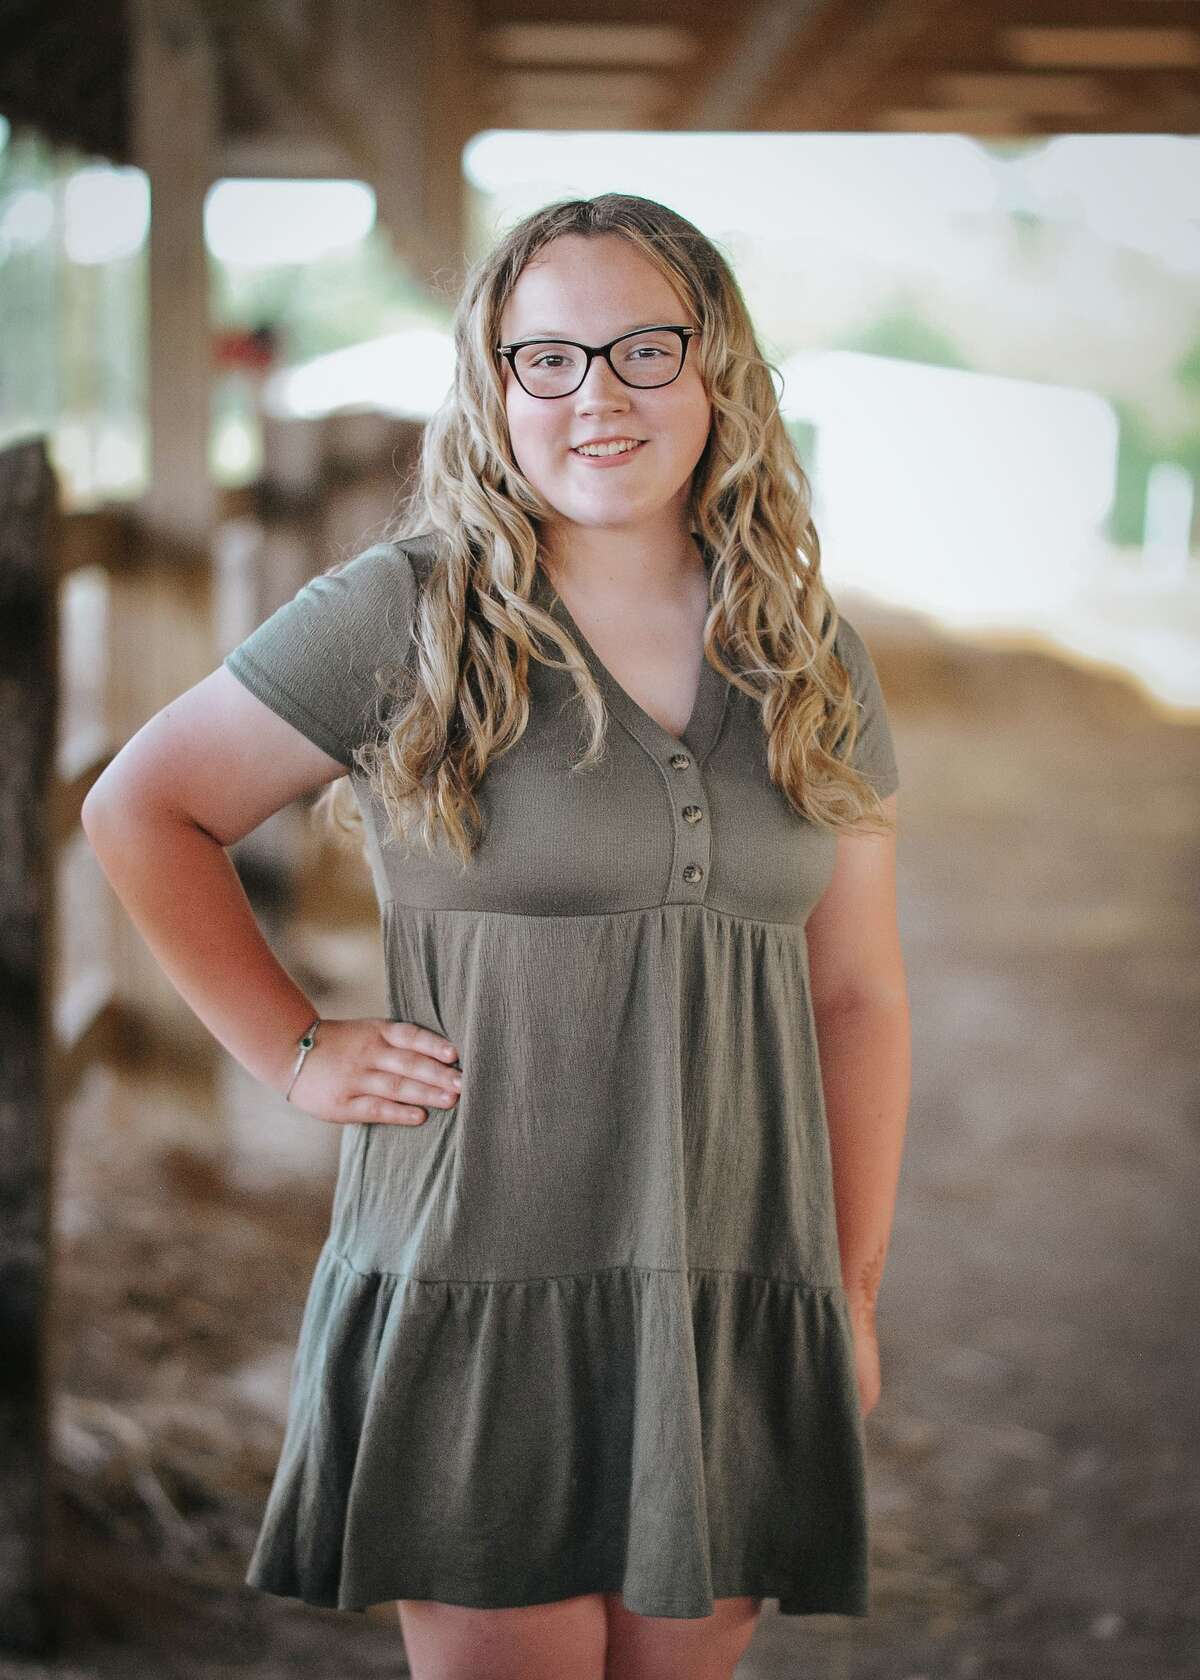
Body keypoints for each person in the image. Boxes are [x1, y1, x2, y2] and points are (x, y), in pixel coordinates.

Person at [81, 192, 911, 1680]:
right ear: (495, 386)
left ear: (718, 368)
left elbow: (855, 996)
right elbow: (145, 807)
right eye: (550, 358)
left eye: (646, 349)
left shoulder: (806, 654)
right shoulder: (406, 616)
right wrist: (295, 1050)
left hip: (730, 1286)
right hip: (481, 1280)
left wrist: (844, 1289)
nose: (599, 395)